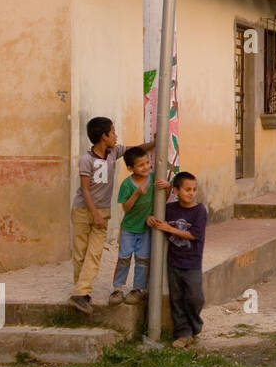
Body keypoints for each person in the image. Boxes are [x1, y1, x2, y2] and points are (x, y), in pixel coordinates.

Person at [70, 117, 155, 314]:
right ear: (104, 136)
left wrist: (154, 142)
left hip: (103, 212)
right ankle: (81, 291)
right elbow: (85, 190)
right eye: (113, 132)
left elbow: (136, 149)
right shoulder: (86, 160)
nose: (116, 136)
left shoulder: (115, 152)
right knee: (80, 253)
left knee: (95, 253)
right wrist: (94, 214)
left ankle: (81, 292)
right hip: (83, 211)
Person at [148, 171, 208, 348]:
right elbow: (158, 220)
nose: (191, 193)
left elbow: (194, 234)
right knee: (177, 298)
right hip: (174, 261)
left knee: (195, 297)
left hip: (192, 262)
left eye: (194, 189)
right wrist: (151, 219)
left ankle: (195, 326)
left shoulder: (199, 211)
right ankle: (183, 333)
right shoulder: (170, 209)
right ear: (176, 191)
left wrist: (169, 229)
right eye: (187, 189)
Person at [111, 148, 168, 306]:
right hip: (129, 228)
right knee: (124, 258)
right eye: (140, 165)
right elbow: (126, 208)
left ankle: (138, 289)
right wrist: (136, 193)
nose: (146, 167)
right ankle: (117, 288)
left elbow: (164, 198)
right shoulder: (127, 185)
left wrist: (167, 186)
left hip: (146, 229)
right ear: (130, 168)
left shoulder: (153, 178)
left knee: (143, 259)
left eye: (147, 163)